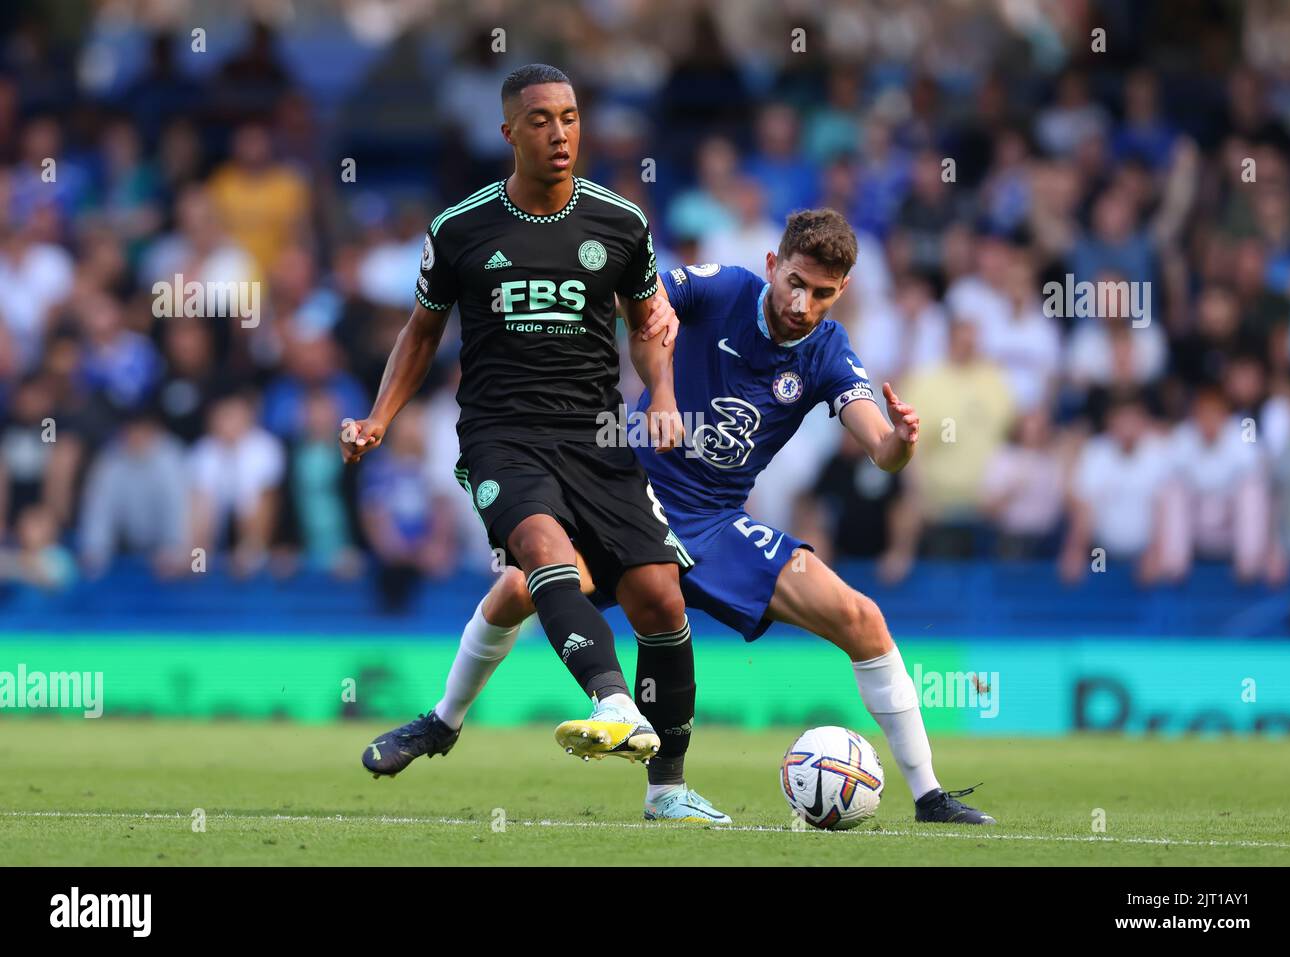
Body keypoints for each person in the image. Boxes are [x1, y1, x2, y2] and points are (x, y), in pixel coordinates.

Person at [393, 208, 995, 826]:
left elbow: (881, 449)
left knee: (862, 618)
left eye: (821, 293)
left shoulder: (828, 352)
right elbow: (645, 303)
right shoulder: (724, 288)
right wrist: (662, 394)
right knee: (520, 585)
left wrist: (901, 441)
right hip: (629, 501)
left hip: (714, 522)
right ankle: (442, 721)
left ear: (841, 292)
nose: (802, 302)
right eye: (794, 282)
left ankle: (928, 796)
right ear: (772, 266)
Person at [341, 64, 692, 775]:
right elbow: (419, 332)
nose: (558, 132)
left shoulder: (621, 223)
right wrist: (379, 417)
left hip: (596, 437)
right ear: (508, 133)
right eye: (540, 120)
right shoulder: (460, 228)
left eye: (568, 116)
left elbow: (650, 322)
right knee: (542, 553)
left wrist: (662, 396)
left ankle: (667, 789)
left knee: (658, 595)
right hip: (502, 436)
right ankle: (613, 703)